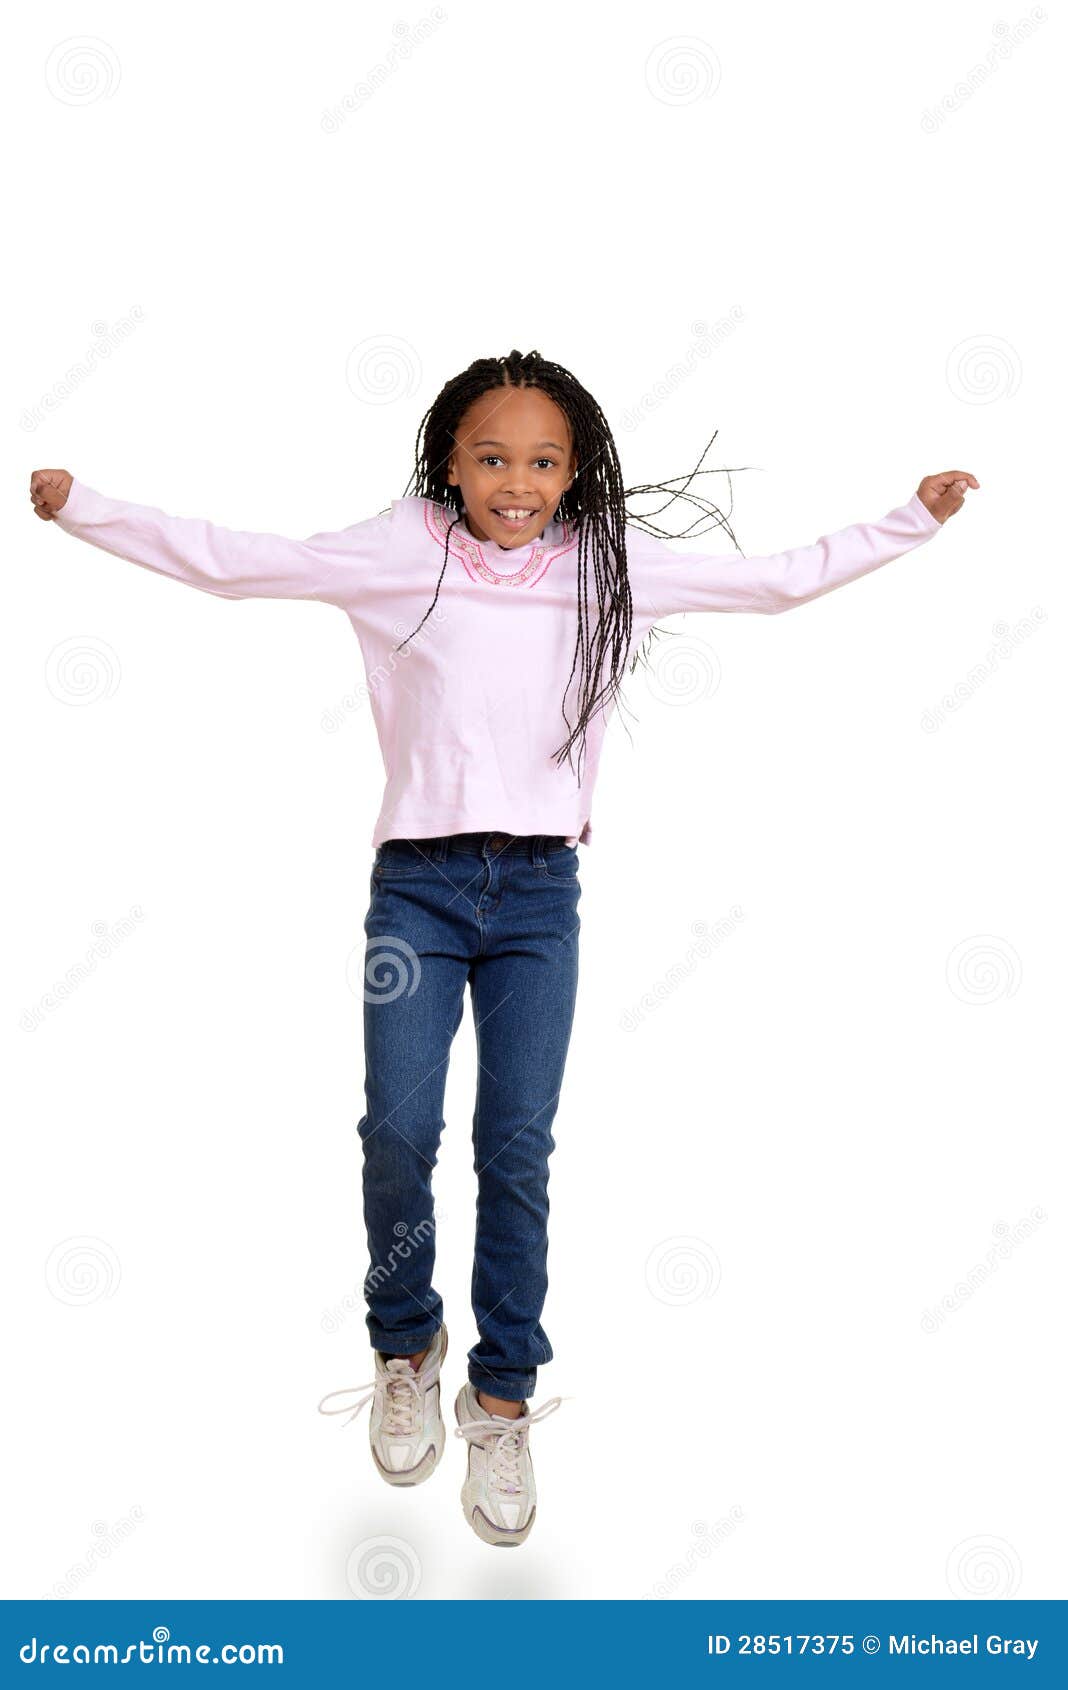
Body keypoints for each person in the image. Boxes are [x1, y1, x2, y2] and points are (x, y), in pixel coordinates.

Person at [30, 347, 977, 1548]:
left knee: (516, 1146)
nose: (515, 482)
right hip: (418, 892)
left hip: (539, 896)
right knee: (398, 1130)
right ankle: (403, 1341)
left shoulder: (608, 566)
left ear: (575, 470)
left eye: (541, 461)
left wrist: (914, 519)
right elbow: (239, 562)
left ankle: (503, 1394)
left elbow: (777, 583)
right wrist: (86, 510)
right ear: (451, 462)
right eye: (491, 458)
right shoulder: (400, 551)